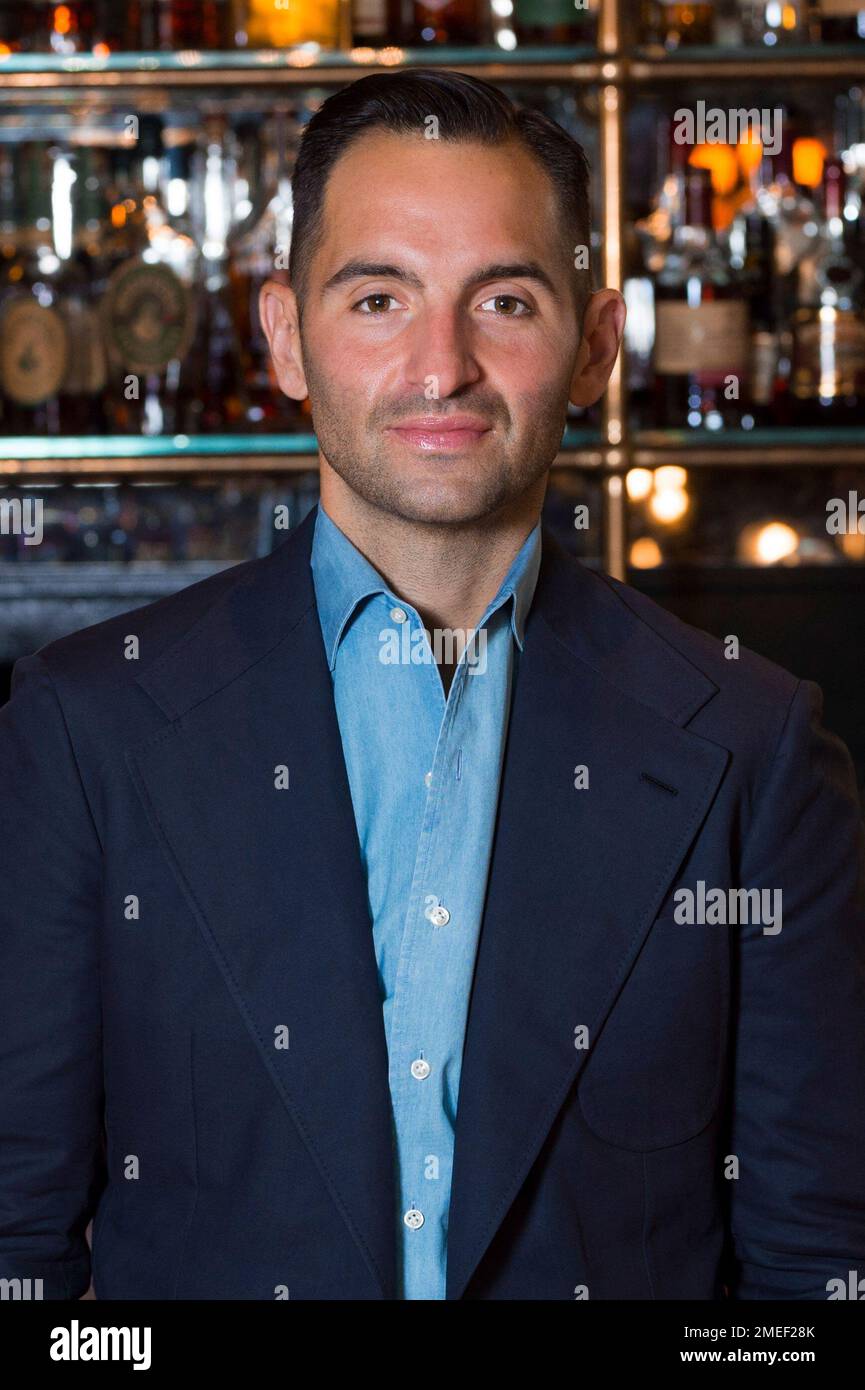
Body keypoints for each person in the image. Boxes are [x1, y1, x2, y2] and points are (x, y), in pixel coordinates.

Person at [1, 69, 864, 1302]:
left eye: (504, 300)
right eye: (378, 297)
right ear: (288, 338)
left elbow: (813, 1271)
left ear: (596, 348)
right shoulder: (87, 729)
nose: (441, 365)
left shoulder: (757, 746)